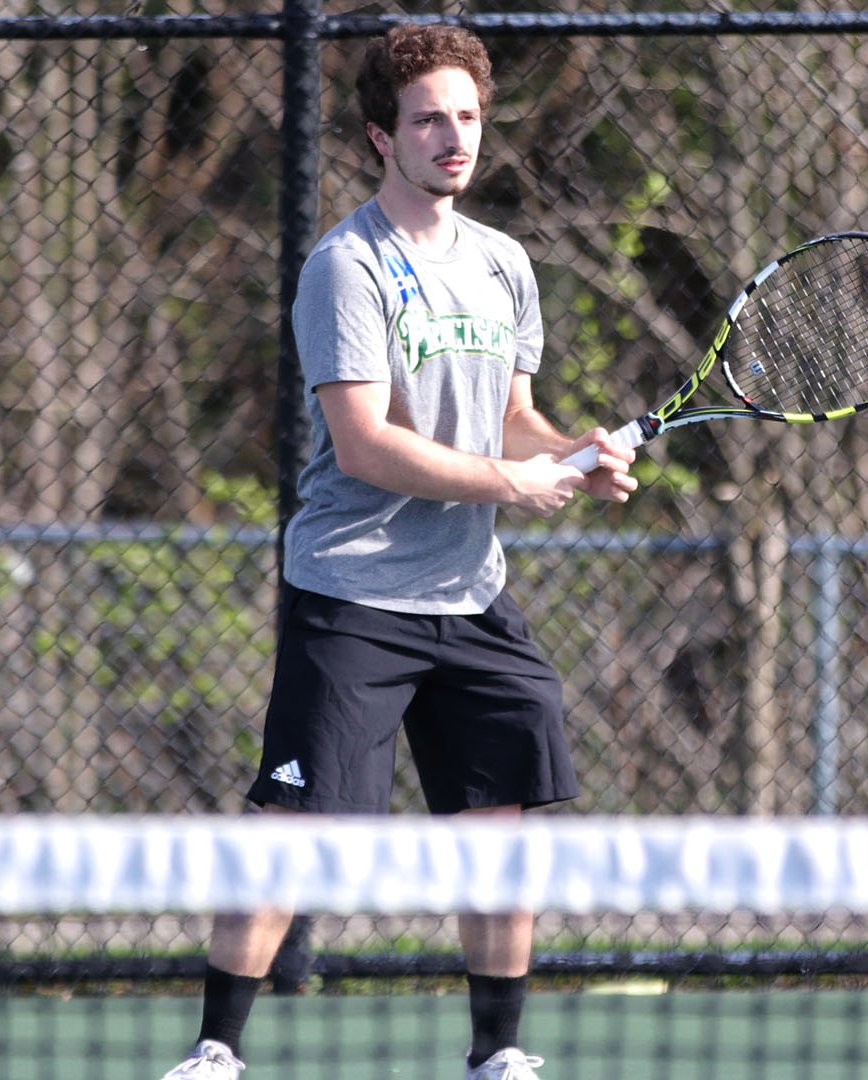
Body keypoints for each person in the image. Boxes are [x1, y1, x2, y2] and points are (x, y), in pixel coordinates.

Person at [157, 23, 637, 1080]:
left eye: (466, 115)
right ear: (385, 136)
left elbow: (512, 419)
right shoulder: (346, 267)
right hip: (353, 594)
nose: (453, 136)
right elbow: (368, 447)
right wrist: (517, 481)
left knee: (501, 825)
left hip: (473, 597)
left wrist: (572, 452)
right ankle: (214, 1050)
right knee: (291, 824)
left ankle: (497, 1055)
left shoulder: (506, 265)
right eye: (429, 119)